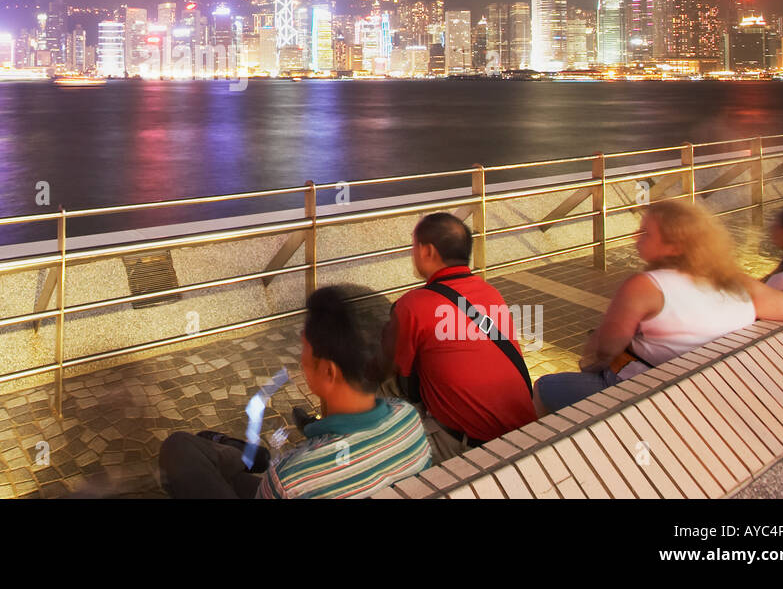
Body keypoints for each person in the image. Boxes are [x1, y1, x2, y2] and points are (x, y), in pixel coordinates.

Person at [534, 199, 783, 416]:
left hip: (647, 397)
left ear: (675, 246)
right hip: (710, 393)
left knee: (546, 387)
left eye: (646, 233)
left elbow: (604, 351)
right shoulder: (739, 284)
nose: (635, 238)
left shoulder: (645, 286)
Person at [158, 285, 431, 498]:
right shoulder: (409, 421)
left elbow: (289, 484)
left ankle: (245, 455)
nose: (300, 358)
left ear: (328, 370)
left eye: (304, 347)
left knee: (179, 448)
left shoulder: (291, 479)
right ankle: (242, 456)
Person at [383, 212, 536, 459]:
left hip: (473, 449)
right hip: (524, 435)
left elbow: (405, 381)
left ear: (427, 252)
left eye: (414, 246)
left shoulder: (413, 305)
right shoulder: (491, 293)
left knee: (373, 381)